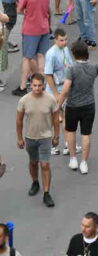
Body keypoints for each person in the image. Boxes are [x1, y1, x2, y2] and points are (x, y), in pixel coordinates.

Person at [16, 71, 58, 208]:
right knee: (33, 162)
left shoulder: (51, 99)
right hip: (30, 137)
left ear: (44, 85)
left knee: (44, 164)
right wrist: (19, 138)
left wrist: (56, 135)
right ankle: (35, 182)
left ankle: (47, 193)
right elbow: (19, 120)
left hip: (45, 137)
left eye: (40, 85)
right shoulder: (24, 100)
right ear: (30, 86)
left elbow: (56, 118)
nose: (37, 88)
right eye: (34, 85)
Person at [58, 38, 98, 175]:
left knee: (71, 131)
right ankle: (84, 163)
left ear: (74, 54)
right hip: (89, 104)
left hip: (73, 105)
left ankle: (73, 158)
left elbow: (65, 90)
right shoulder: (94, 67)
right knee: (86, 134)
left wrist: (58, 104)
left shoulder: (72, 69)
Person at [14, 0, 51, 95]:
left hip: (31, 29)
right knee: (41, 56)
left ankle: (24, 86)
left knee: (27, 57)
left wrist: (25, 11)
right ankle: (42, 83)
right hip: (44, 27)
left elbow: (19, 10)